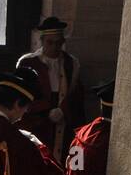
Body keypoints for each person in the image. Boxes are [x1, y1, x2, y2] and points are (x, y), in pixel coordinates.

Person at [16, 16, 85, 163]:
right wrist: (47, 110)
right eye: (50, 42)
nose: (54, 47)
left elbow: (77, 94)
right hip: (37, 120)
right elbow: (21, 95)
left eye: (58, 43)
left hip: (64, 118)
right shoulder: (27, 62)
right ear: (41, 41)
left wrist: (62, 110)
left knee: (65, 159)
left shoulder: (71, 63)